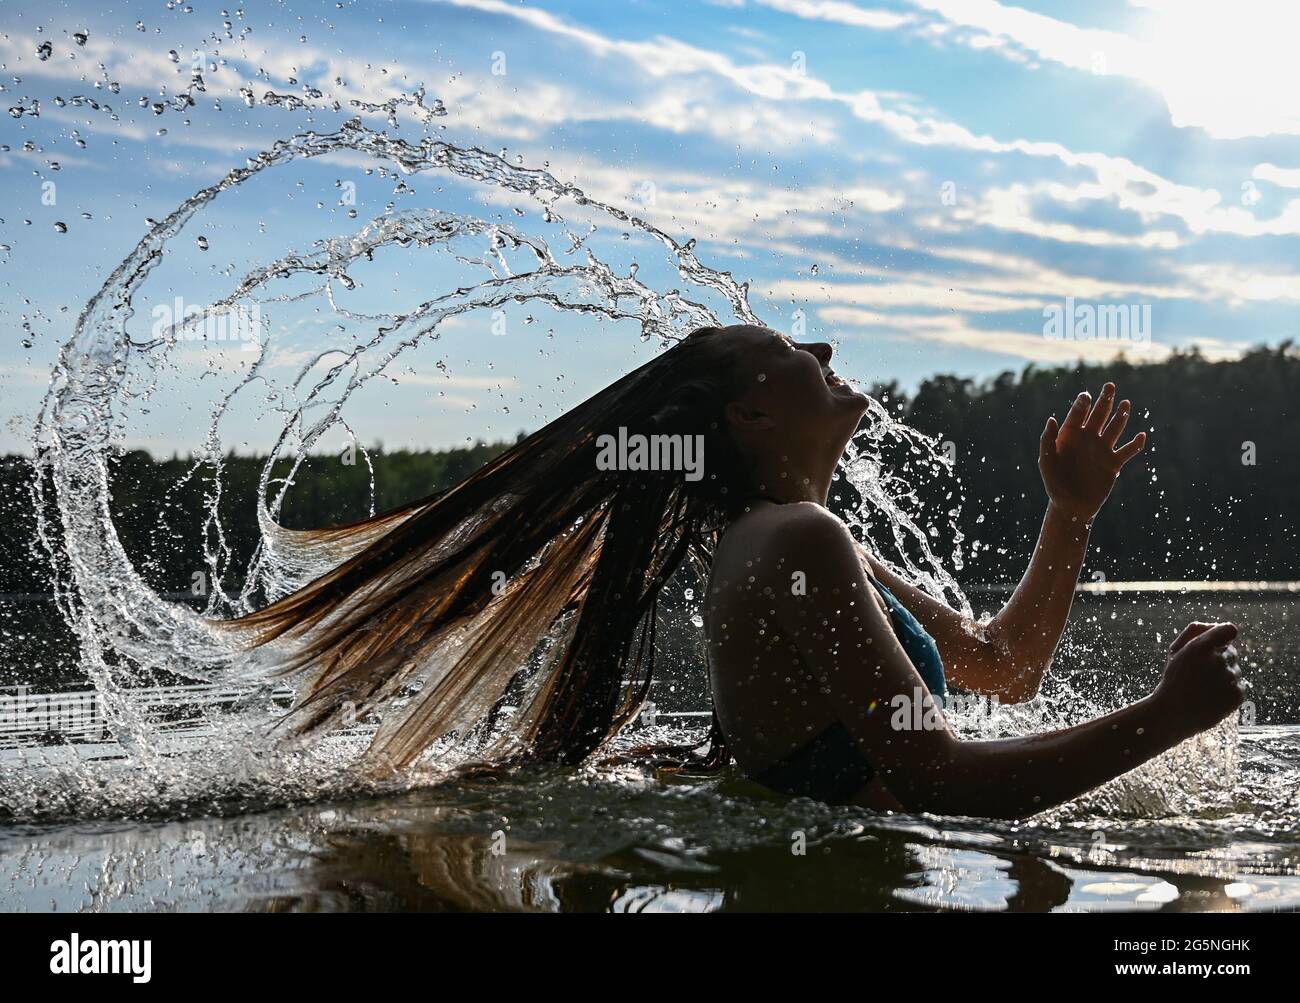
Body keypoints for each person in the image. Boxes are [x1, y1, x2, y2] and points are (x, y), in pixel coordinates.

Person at [222, 324, 1243, 819]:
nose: (823, 343)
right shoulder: (797, 544)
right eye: (785, 347)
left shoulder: (802, 533)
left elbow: (999, 667)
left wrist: (1067, 516)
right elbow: (941, 781)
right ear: (752, 417)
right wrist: (1166, 716)